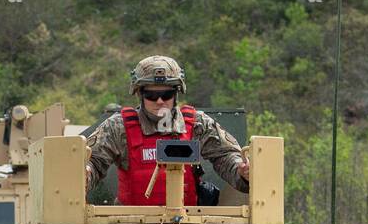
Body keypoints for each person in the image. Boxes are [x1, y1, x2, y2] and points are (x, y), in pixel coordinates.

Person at [84, 55, 249, 205]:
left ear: (176, 93)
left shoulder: (198, 124)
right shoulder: (117, 127)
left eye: (167, 94)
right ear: (139, 94)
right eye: (151, 95)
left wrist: (242, 171)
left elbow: (226, 157)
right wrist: (85, 174)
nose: (160, 101)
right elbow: (94, 161)